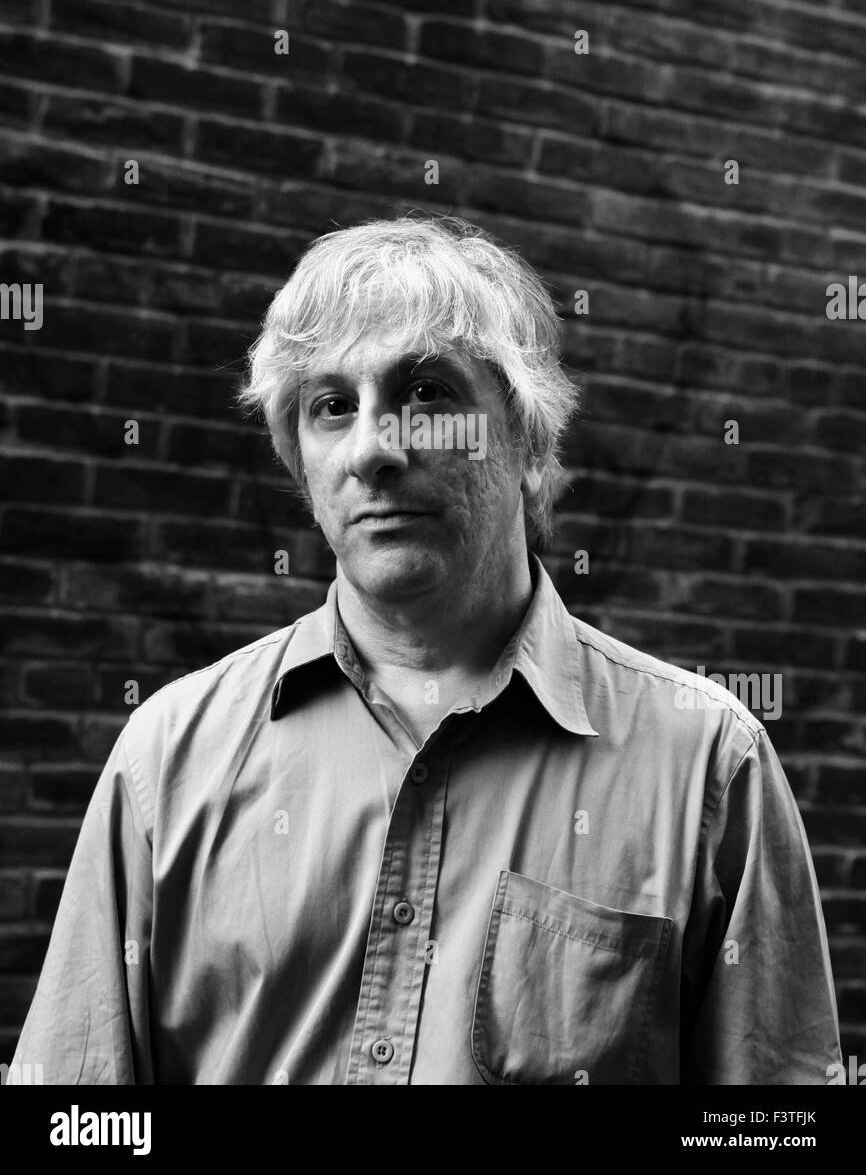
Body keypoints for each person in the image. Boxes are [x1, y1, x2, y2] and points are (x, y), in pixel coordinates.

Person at [11, 214, 841, 1084]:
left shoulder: (707, 765)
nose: (374, 448)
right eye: (332, 407)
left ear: (526, 438)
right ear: (301, 460)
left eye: (430, 395)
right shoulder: (165, 762)